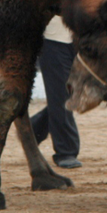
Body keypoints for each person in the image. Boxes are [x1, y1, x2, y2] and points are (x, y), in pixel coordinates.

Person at [28, 18, 82, 169]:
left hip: (83, 35)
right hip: (54, 38)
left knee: (79, 92)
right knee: (61, 94)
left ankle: (35, 128)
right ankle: (66, 151)